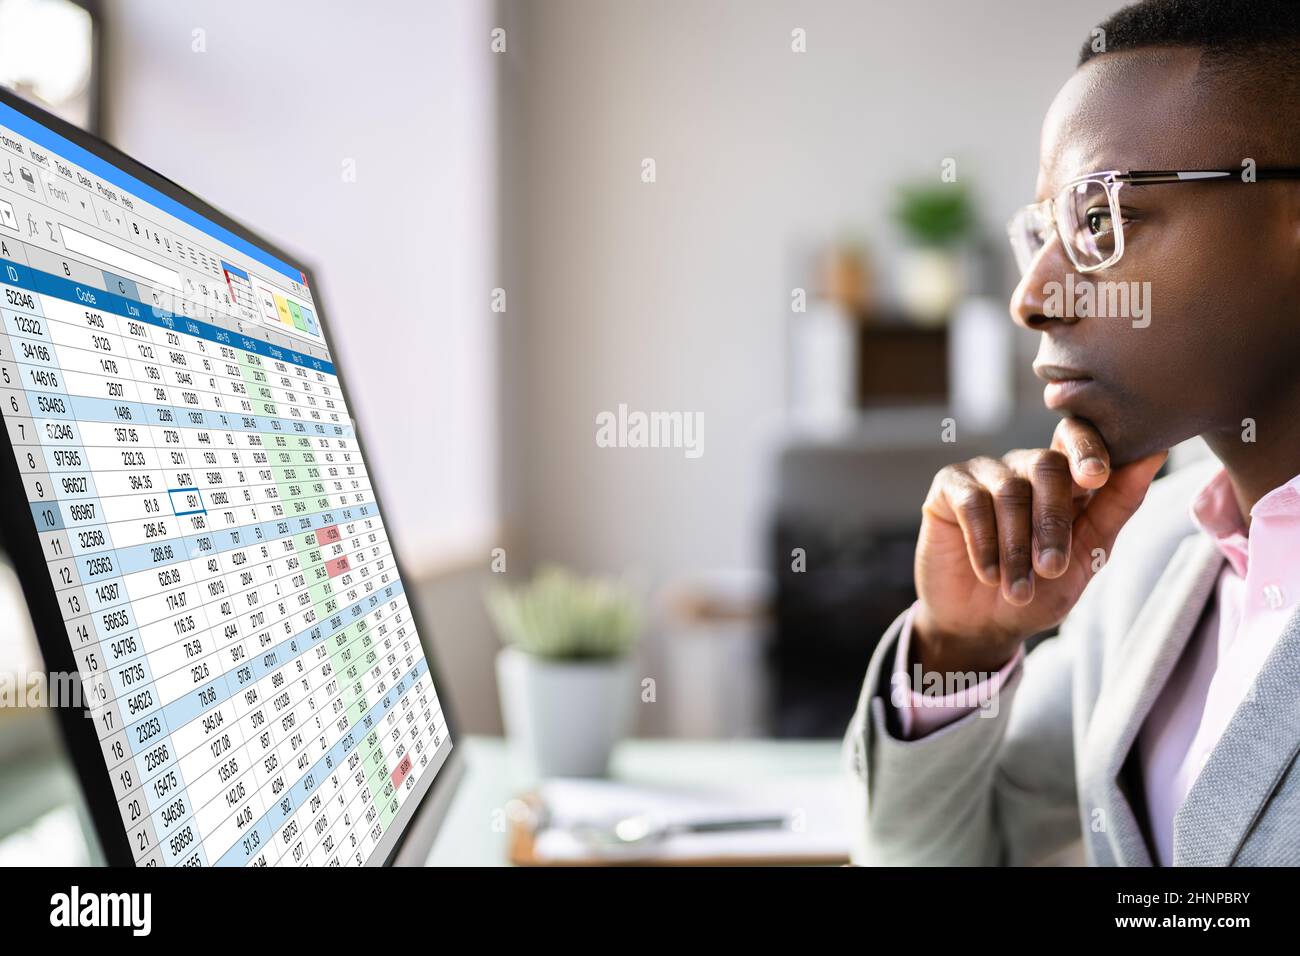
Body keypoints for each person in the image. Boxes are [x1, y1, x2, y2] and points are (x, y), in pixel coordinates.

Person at [844, 0, 1300, 866]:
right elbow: (943, 854)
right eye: (1042, 232)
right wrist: (963, 649)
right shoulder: (1156, 552)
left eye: (1098, 220)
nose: (1032, 297)